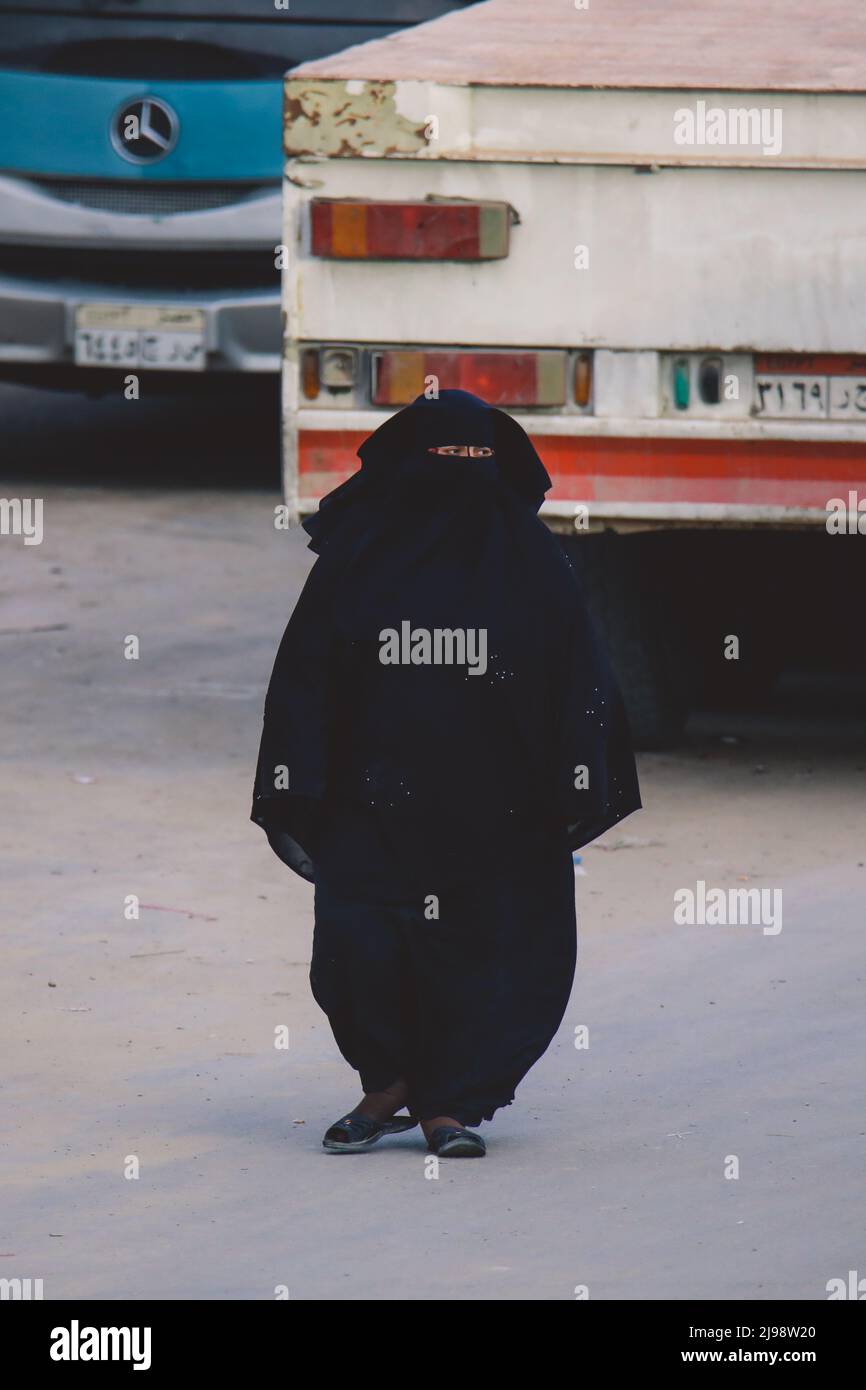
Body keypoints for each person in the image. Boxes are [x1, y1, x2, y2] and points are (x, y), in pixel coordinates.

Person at [252, 389, 640, 1158]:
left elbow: (581, 680)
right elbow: (307, 675)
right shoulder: (356, 556)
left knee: (485, 945)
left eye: (476, 460)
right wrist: (304, 776)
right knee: (357, 944)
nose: (459, 475)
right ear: (407, 464)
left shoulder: (532, 561)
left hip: (499, 805)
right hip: (374, 798)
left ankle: (450, 1103)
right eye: (443, 459)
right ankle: (387, 1082)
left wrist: (577, 776)